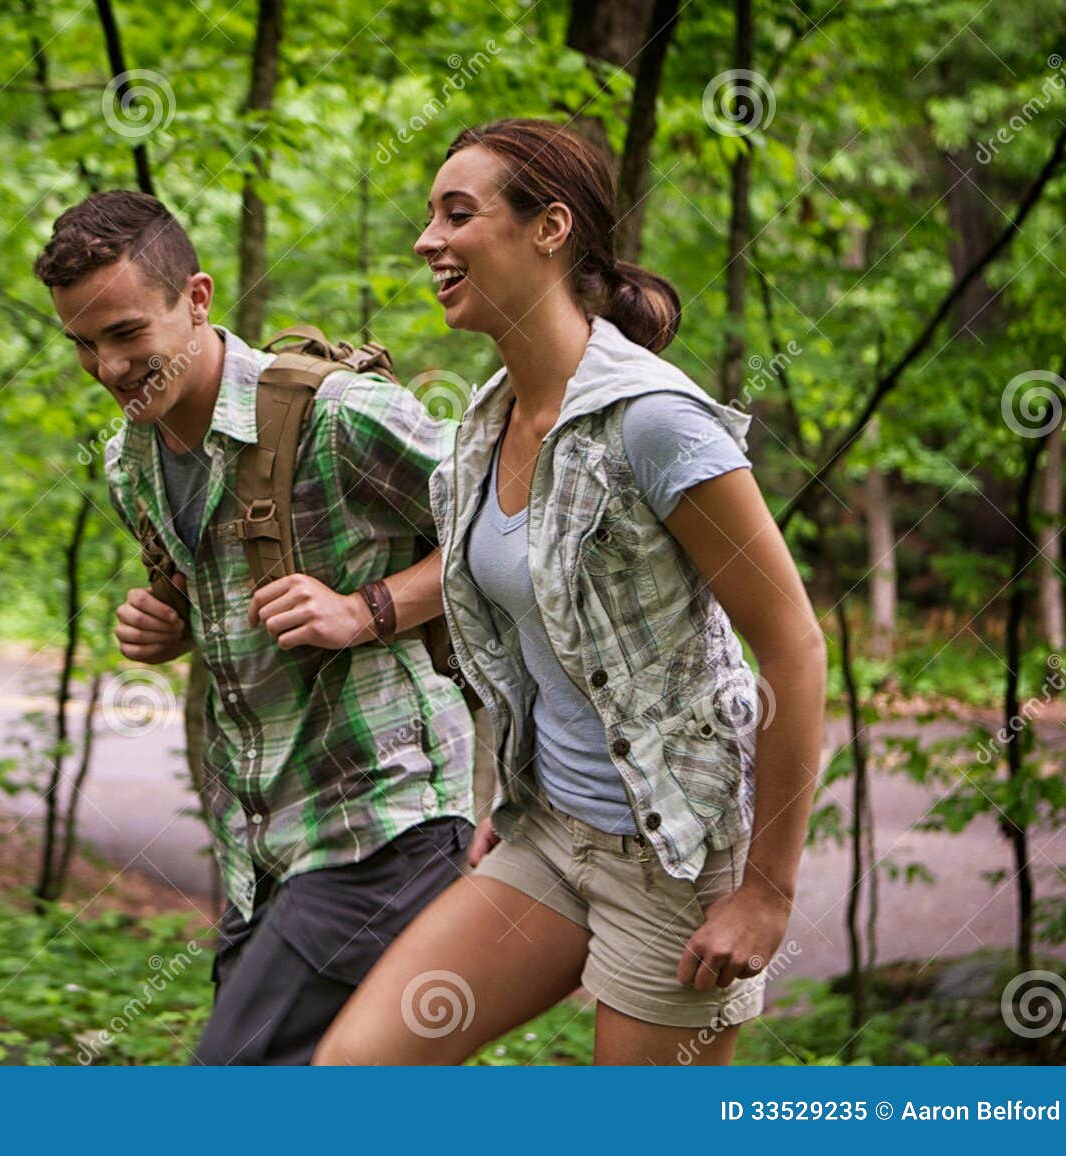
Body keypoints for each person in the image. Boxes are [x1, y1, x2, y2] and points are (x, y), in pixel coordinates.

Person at [314, 119, 826, 1065]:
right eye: (429, 216)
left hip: (672, 862)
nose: (427, 240)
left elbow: (794, 646)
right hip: (548, 837)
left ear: (550, 228)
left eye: (457, 214)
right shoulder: (488, 420)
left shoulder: (655, 422)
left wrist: (767, 892)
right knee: (356, 1069)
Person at [33, 190, 475, 1064]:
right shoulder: (129, 461)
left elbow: (521, 526)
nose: (108, 368)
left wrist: (364, 610)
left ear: (197, 298)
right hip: (261, 850)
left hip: (382, 823)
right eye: (82, 344)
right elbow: (221, 595)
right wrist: (172, 623)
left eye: (126, 334)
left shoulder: (336, 415)